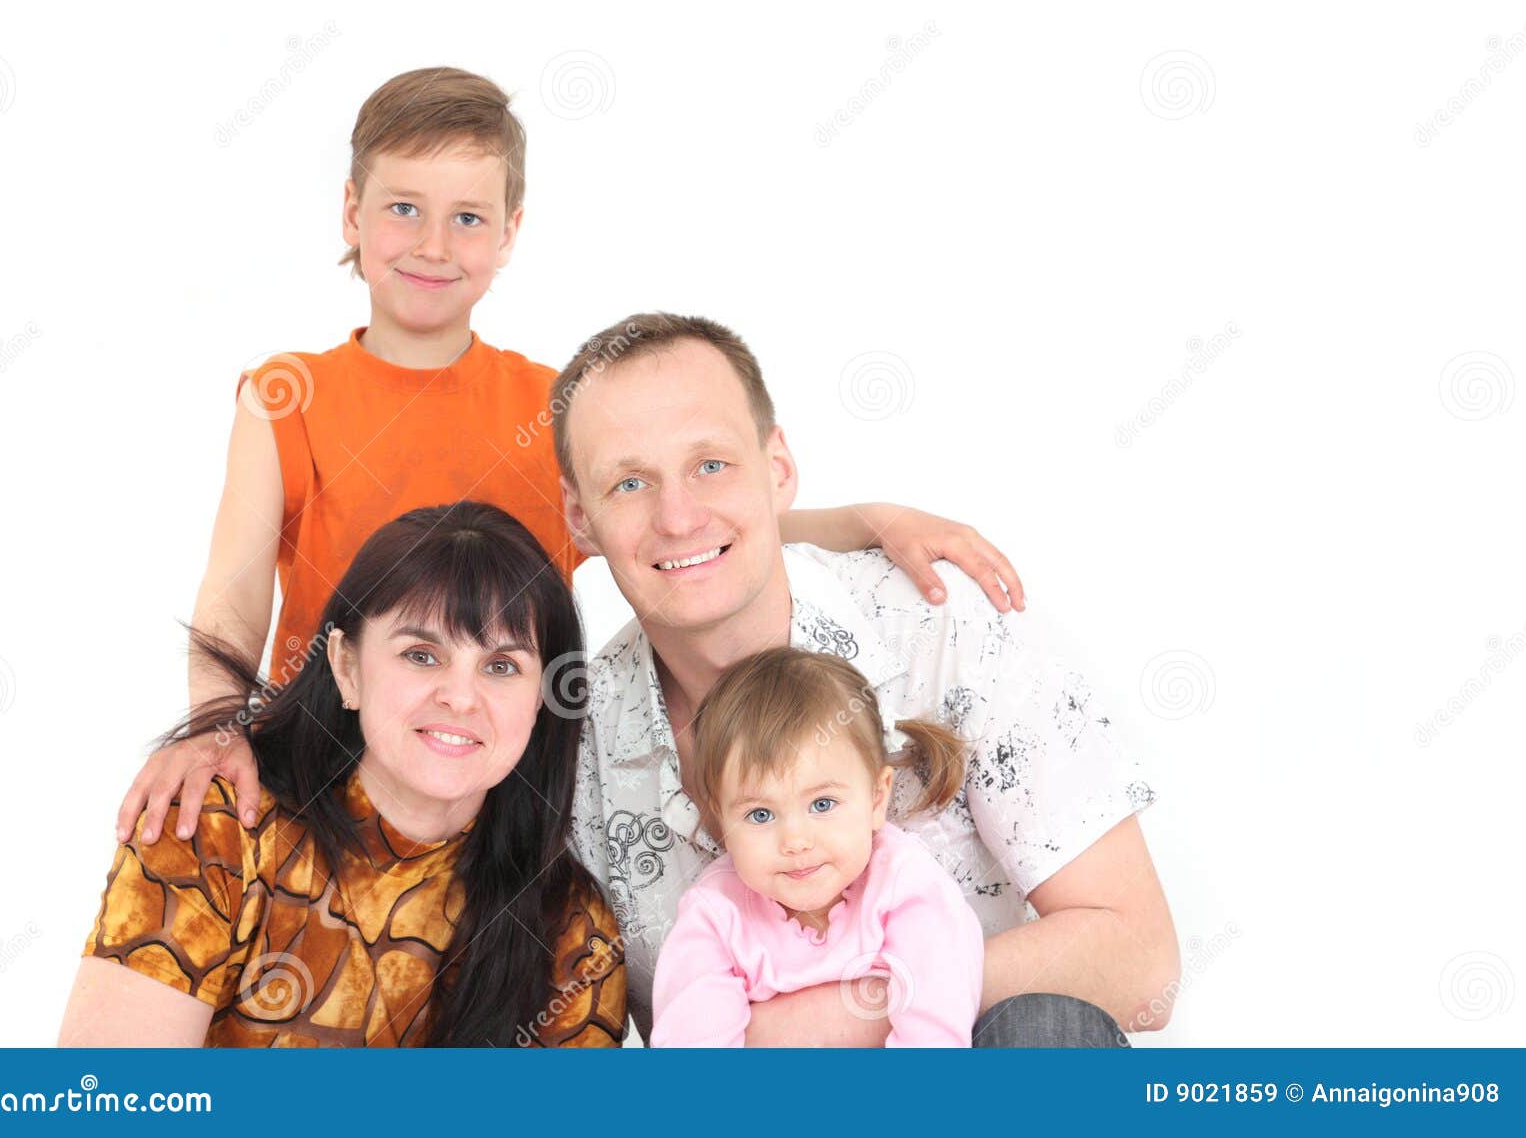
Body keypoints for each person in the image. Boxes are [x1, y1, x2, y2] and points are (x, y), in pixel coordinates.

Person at [119, 65, 1028, 849]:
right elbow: (235, 588)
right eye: (404, 209)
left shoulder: (547, 405)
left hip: (502, 788)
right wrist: (213, 729)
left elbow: (684, 522)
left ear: (510, 233)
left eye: (468, 217)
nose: (435, 245)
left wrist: (871, 520)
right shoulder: (289, 395)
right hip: (318, 767)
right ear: (352, 214)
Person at [553, 312, 1180, 1046]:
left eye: (711, 464)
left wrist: (836, 1017)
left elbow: (1145, 965)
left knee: (1047, 1027)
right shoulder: (571, 745)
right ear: (581, 517)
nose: (678, 515)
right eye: (630, 482)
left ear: (777, 468)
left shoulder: (938, 626)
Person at [60, 502, 625, 1047]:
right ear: (346, 667)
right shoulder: (216, 828)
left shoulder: (574, 935)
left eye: (501, 666)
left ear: (543, 701)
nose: (459, 697)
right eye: (421, 655)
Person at [650, 648, 984, 1047]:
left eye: (822, 805)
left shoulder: (906, 885)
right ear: (721, 820)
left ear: (877, 799)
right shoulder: (715, 914)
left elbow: (935, 1030)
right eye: (760, 815)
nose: (795, 842)